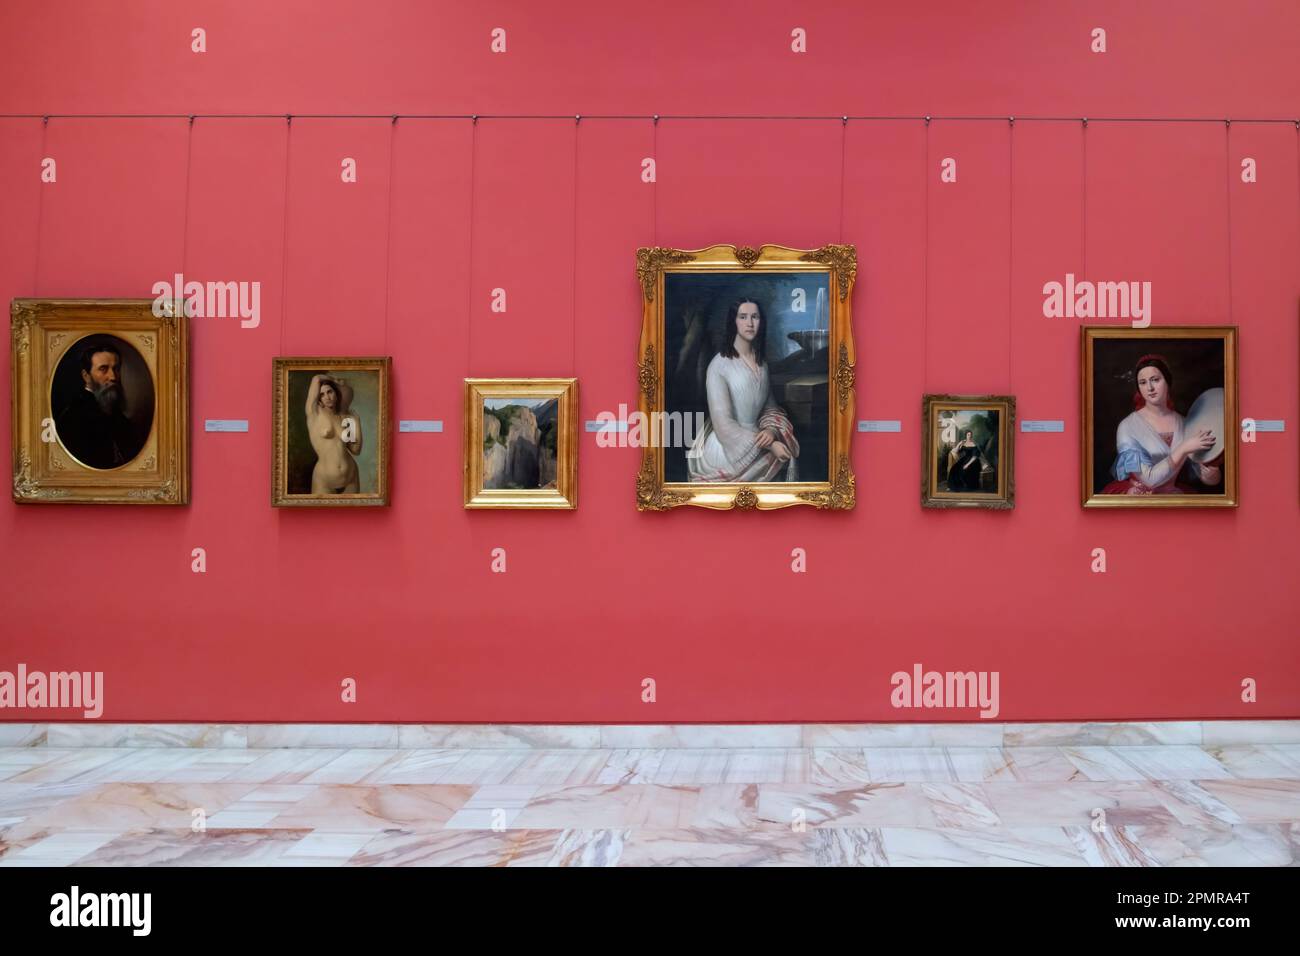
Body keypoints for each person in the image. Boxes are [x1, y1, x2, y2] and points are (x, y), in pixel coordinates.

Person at [686, 298, 799, 482]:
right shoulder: (719, 365)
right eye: (743, 317)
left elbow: (770, 408)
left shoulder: (762, 364)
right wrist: (771, 445)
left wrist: (771, 431)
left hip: (761, 439)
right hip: (728, 448)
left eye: (755, 317)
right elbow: (724, 425)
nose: (750, 323)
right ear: (734, 322)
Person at [1102, 354, 1220, 495]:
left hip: (1174, 495)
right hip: (1140, 499)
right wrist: (1183, 448)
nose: (1150, 388)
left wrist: (1211, 474)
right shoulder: (1128, 426)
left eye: (1155, 380)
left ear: (1167, 381)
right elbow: (1149, 480)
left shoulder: (1185, 423)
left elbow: (1204, 476)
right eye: (1143, 382)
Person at [54, 340, 146, 469]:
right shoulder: (73, 417)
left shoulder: (115, 413)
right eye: (103, 369)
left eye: (116, 369)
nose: (113, 376)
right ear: (86, 376)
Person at [305, 374, 362, 493]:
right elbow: (316, 379)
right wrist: (335, 380)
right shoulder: (314, 414)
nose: (327, 397)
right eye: (322, 394)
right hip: (324, 481)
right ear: (319, 399)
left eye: (330, 392)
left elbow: (356, 450)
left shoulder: (344, 418)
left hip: (351, 477)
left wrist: (357, 422)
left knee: (355, 512)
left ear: (336, 394)